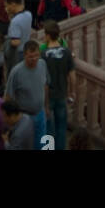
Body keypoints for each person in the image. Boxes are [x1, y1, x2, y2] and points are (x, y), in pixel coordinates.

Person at [5, 40, 49, 150]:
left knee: (41, 145)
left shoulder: (42, 64)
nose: (34, 59)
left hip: (40, 113)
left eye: (36, 56)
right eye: (31, 56)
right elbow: (8, 97)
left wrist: (46, 106)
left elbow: (45, 85)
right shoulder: (16, 72)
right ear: (24, 55)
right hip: (25, 117)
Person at [42, 21, 76, 152]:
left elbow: (44, 82)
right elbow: (72, 76)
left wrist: (44, 103)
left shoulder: (44, 54)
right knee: (62, 127)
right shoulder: (67, 52)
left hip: (49, 96)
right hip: (62, 94)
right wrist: (72, 92)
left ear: (48, 36)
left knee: (48, 129)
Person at [3, 0, 33, 73]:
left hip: (17, 54)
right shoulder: (28, 14)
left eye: (7, 6)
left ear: (13, 4)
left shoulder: (15, 21)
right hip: (26, 49)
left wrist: (7, 41)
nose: (6, 9)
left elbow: (16, 42)